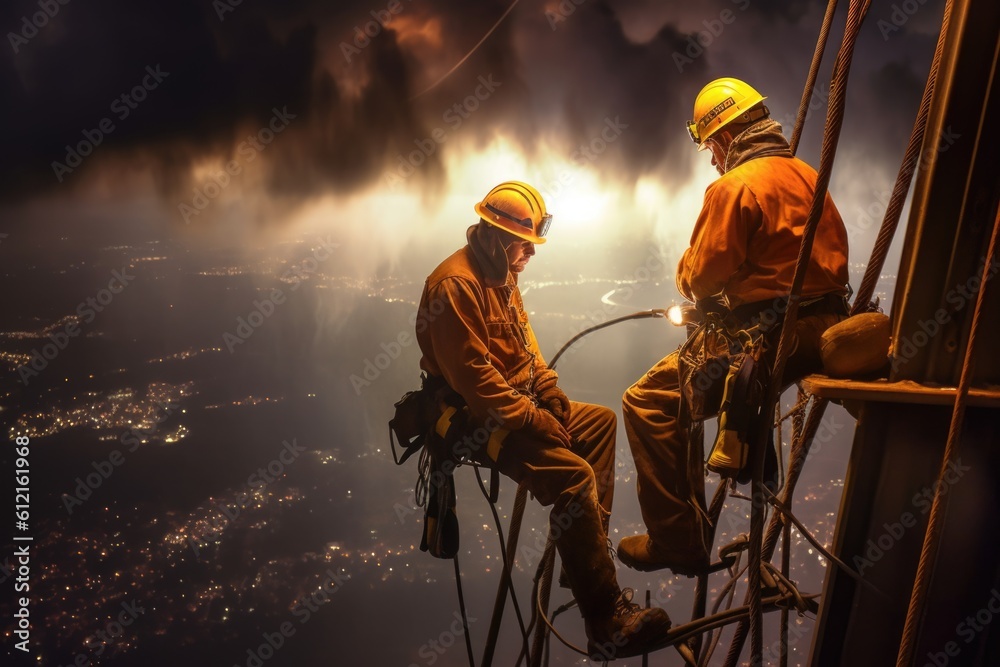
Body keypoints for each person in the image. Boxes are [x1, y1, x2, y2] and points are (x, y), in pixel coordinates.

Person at [415, 180, 671, 659]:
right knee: (574, 477)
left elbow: (525, 348)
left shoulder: (502, 274)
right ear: (496, 238)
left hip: (514, 403)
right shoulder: (455, 286)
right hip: (474, 419)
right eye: (524, 244)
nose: (531, 253)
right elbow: (477, 383)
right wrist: (535, 419)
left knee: (598, 423)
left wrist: (549, 392)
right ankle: (605, 621)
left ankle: (586, 559)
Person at [617, 78, 851, 574]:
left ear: (724, 138)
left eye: (710, 148)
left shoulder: (734, 186)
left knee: (648, 401)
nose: (712, 160)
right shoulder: (808, 174)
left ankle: (677, 542)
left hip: (772, 340)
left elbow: (701, 278)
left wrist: (685, 267)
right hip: (827, 330)